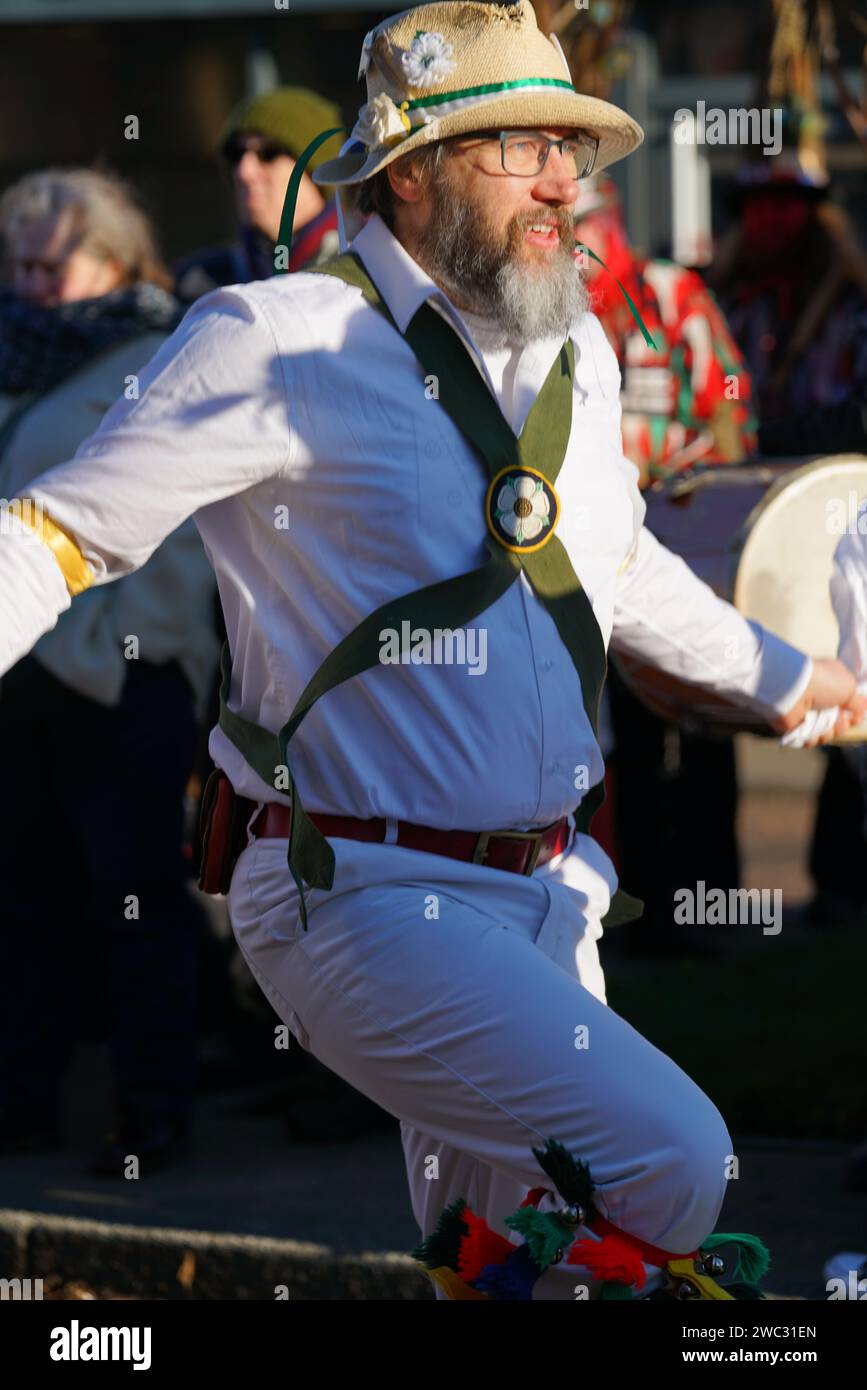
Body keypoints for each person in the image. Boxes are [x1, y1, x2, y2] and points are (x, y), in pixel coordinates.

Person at [0, 1, 861, 1296]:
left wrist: (801, 685)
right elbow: (57, 536)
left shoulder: (568, 338)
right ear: (409, 170)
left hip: (550, 893)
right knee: (672, 1164)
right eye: (520, 144)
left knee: (516, 1258)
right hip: (355, 893)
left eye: (570, 147)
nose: (565, 179)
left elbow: (614, 568)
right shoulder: (272, 337)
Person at [0, 167, 219, 1173]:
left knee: (134, 901)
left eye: (55, 263)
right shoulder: (17, 354)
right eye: (20, 263)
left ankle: (153, 1109)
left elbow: (179, 539)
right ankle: (26, 1098)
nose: (34, 283)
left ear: (120, 259)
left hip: (120, 682)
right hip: (18, 683)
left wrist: (106, 654)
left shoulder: (166, 356)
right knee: (24, 901)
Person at [572, 176, 757, 956]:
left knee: (706, 725)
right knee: (630, 747)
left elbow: (731, 407)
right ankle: (644, 912)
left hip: (682, 550)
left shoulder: (670, 295)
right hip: (597, 566)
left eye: (584, 223)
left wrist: (695, 467)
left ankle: (713, 912)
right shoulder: (548, 319)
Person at [173, 87, 344, 303]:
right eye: (236, 154)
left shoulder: (362, 275)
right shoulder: (199, 280)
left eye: (268, 153)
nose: (244, 172)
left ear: (319, 174)